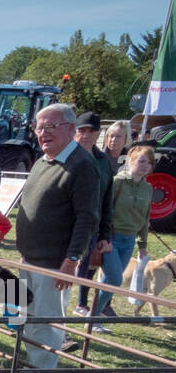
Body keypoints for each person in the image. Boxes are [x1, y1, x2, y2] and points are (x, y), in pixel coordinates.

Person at [13, 103, 99, 373]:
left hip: (54, 263)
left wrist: (71, 260)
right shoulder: (42, 161)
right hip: (30, 259)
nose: (43, 133)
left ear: (71, 130)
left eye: (51, 127)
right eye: (39, 127)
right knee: (26, 319)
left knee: (45, 324)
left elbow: (87, 217)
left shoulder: (81, 166)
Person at [92, 144, 155, 322]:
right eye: (141, 161)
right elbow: (103, 208)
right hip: (111, 238)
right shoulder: (117, 182)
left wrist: (142, 245)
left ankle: (94, 316)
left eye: (149, 163)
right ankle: (94, 316)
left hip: (129, 242)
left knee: (109, 281)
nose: (145, 166)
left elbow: (145, 217)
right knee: (114, 279)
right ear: (131, 161)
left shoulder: (147, 188)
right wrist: (102, 236)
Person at [70, 112, 114, 318]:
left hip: (92, 226)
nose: (86, 135)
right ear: (74, 131)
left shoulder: (104, 161)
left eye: (91, 131)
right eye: (82, 130)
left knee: (87, 268)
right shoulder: (67, 156)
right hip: (67, 225)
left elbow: (107, 200)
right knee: (64, 271)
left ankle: (81, 304)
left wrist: (105, 234)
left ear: (98, 134)